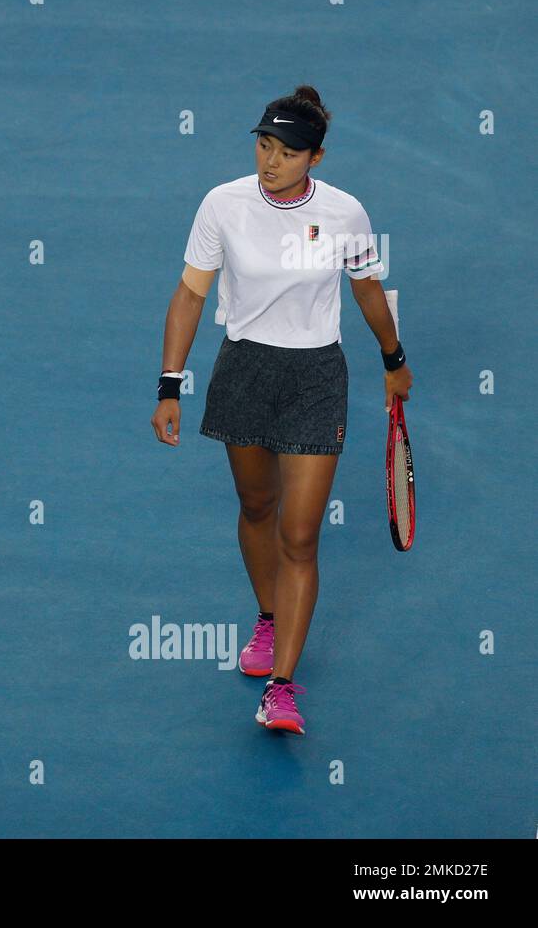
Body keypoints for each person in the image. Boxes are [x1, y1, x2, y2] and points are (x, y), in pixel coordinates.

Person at [150, 85, 413, 736]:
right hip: (245, 370)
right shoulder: (223, 204)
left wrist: (393, 355)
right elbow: (189, 296)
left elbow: (368, 288)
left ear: (315, 158)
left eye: (288, 151)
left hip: (317, 376)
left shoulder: (346, 214)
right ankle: (267, 615)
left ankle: (281, 686)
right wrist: (168, 384)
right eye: (265, 144)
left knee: (299, 533)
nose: (271, 160)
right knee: (256, 508)